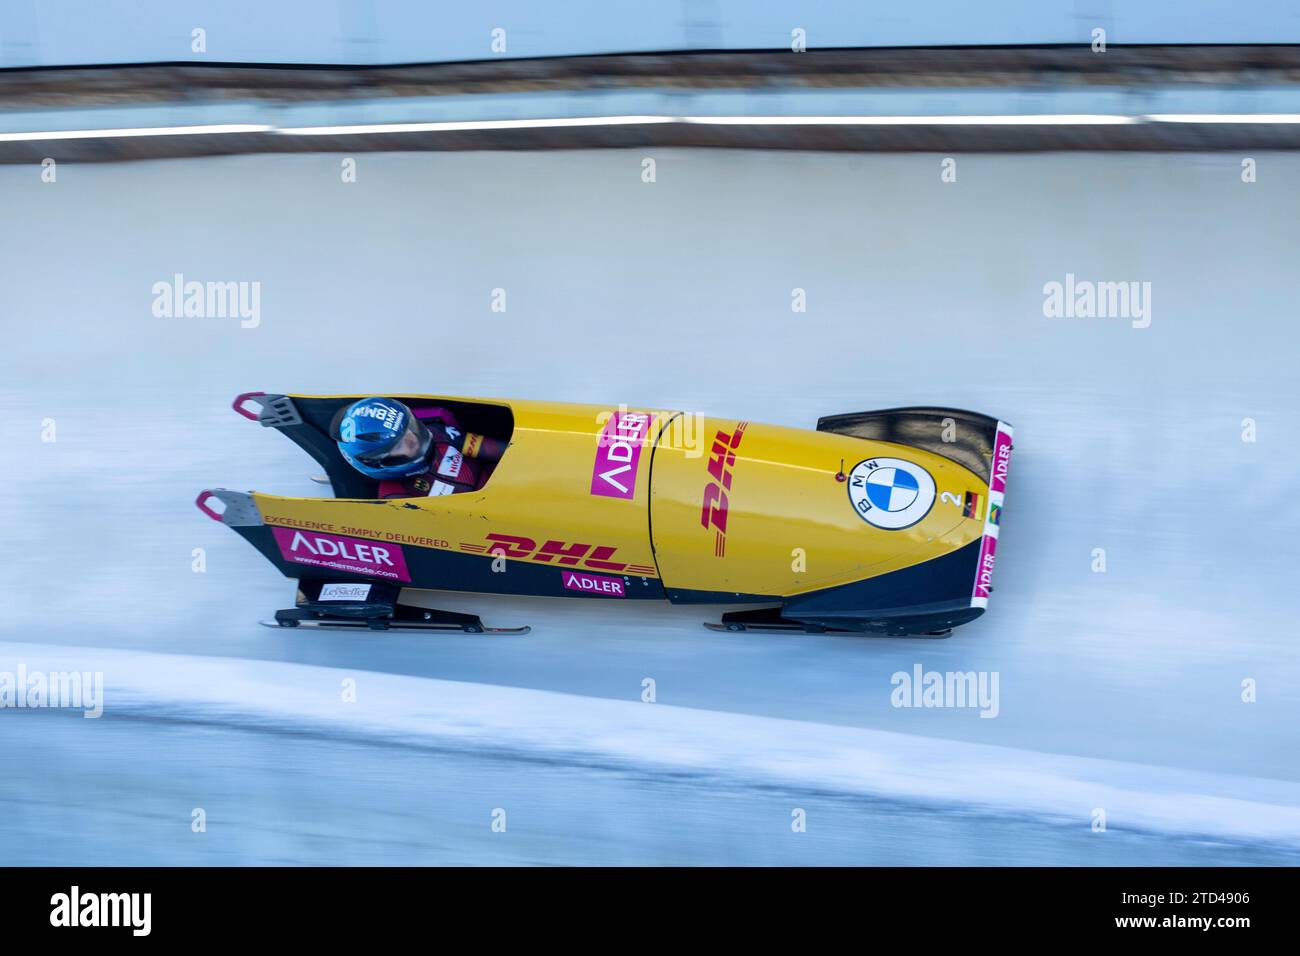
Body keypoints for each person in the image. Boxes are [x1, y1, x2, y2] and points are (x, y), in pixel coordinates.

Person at [333, 397, 506, 498]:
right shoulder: (393, 494)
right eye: (399, 443)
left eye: (410, 427)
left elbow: (501, 451)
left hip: (508, 489)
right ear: (381, 462)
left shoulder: (440, 435)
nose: (412, 437)